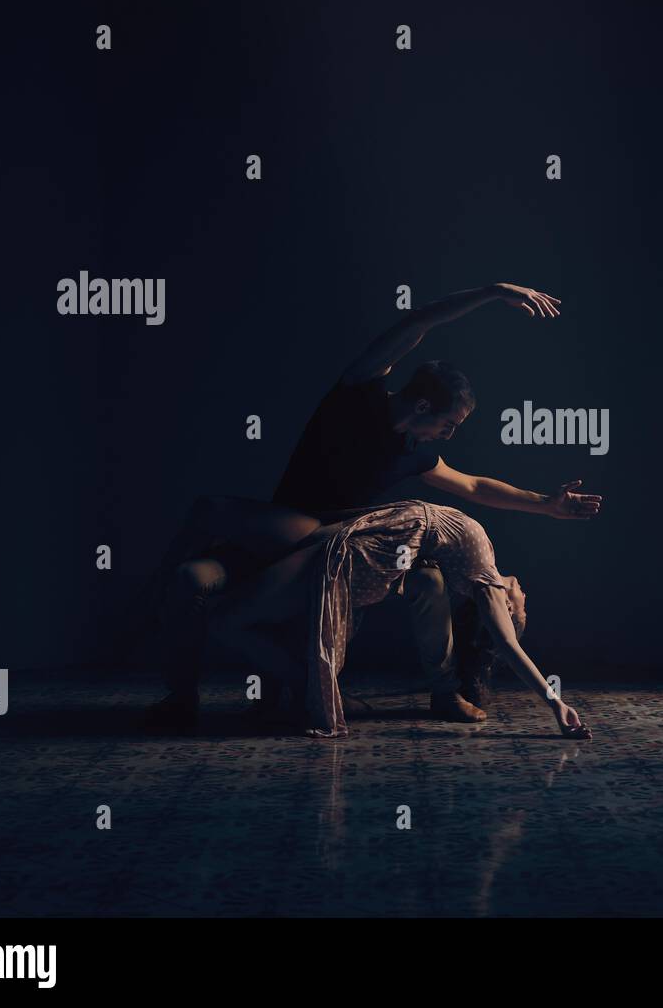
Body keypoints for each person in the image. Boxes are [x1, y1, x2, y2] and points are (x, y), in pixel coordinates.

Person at [144, 282, 601, 729]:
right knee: (192, 578)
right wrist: (490, 293)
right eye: (448, 424)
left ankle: (444, 694)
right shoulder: (359, 392)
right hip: (279, 534)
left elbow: (476, 485)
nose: (449, 436)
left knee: (428, 580)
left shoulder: (415, 452)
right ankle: (184, 699)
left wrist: (547, 504)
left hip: (346, 550)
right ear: (422, 404)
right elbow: (417, 321)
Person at [204, 500, 592, 741]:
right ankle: (305, 686)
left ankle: (306, 686)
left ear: (507, 610)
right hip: (361, 535)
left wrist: (556, 705)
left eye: (523, 607)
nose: (526, 596)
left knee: (227, 620)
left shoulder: (487, 581)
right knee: (230, 603)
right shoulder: (476, 562)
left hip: (358, 556)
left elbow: (508, 647)